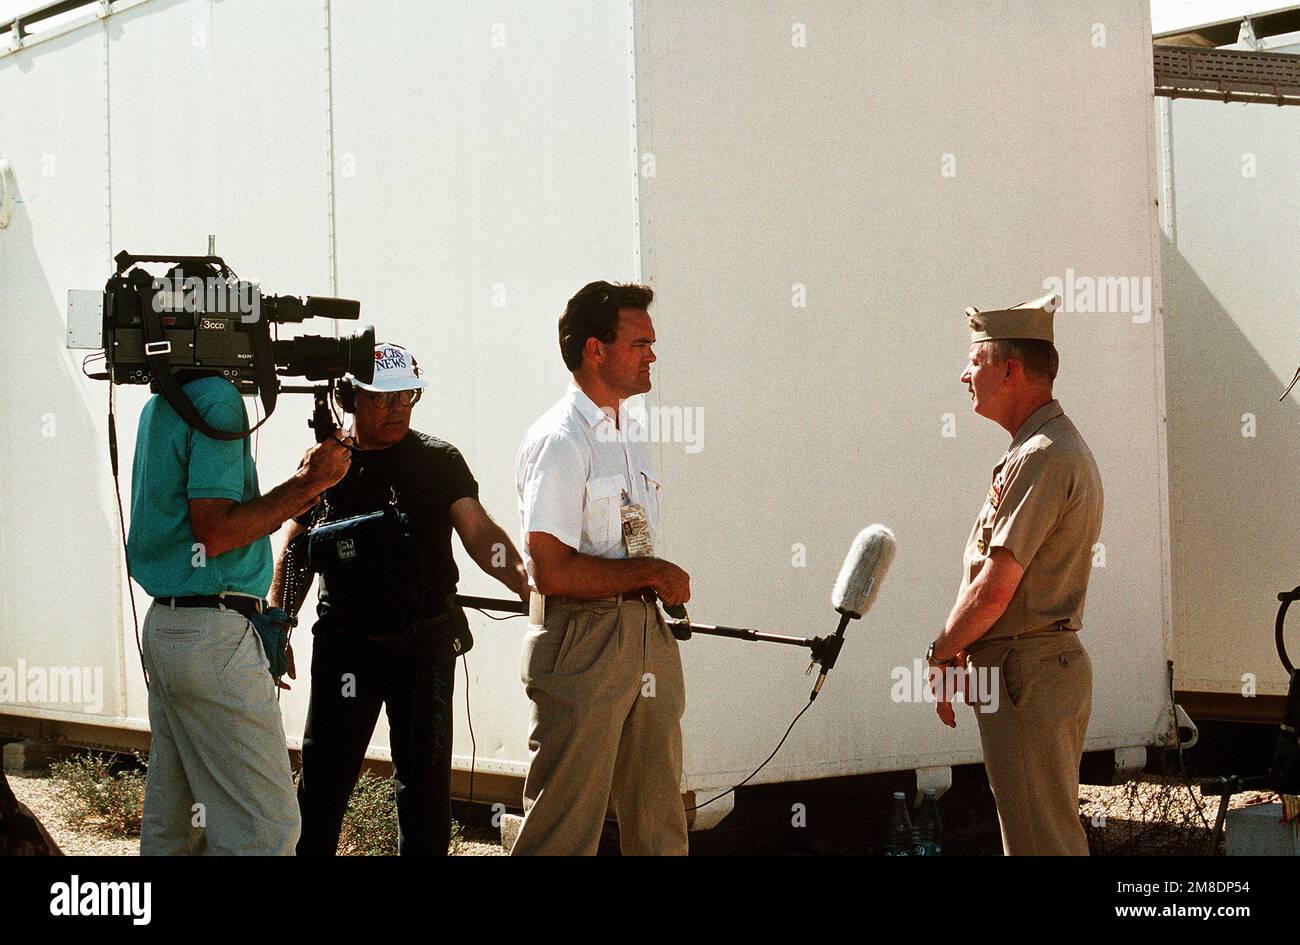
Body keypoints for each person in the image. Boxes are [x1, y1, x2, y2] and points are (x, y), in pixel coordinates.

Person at [274, 342, 529, 856]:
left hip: (424, 647)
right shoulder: (328, 463)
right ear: (351, 398)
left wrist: (529, 584)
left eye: (406, 397)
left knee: (426, 788)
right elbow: (298, 546)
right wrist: (278, 624)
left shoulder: (438, 460)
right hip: (346, 648)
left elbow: (480, 534)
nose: (396, 410)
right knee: (324, 783)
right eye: (382, 399)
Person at [130, 369, 351, 855]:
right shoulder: (217, 399)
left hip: (170, 626)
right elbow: (216, 534)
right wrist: (307, 484)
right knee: (264, 828)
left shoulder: (161, 402)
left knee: (176, 825)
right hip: (212, 639)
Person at [511, 280, 692, 856]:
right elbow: (551, 570)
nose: (652, 355)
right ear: (595, 349)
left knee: (659, 820)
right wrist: (653, 573)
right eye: (639, 343)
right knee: (563, 828)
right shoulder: (560, 440)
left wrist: (651, 585)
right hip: (583, 639)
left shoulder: (629, 433)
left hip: (646, 635)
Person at [927, 292, 1103, 856]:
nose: (964, 375)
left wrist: (941, 651)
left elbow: (994, 587)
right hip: (1025, 668)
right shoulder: (1039, 449)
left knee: (1040, 844)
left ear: (1009, 370)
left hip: (1026, 670)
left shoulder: (1043, 455)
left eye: (974, 362)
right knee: (1039, 836)